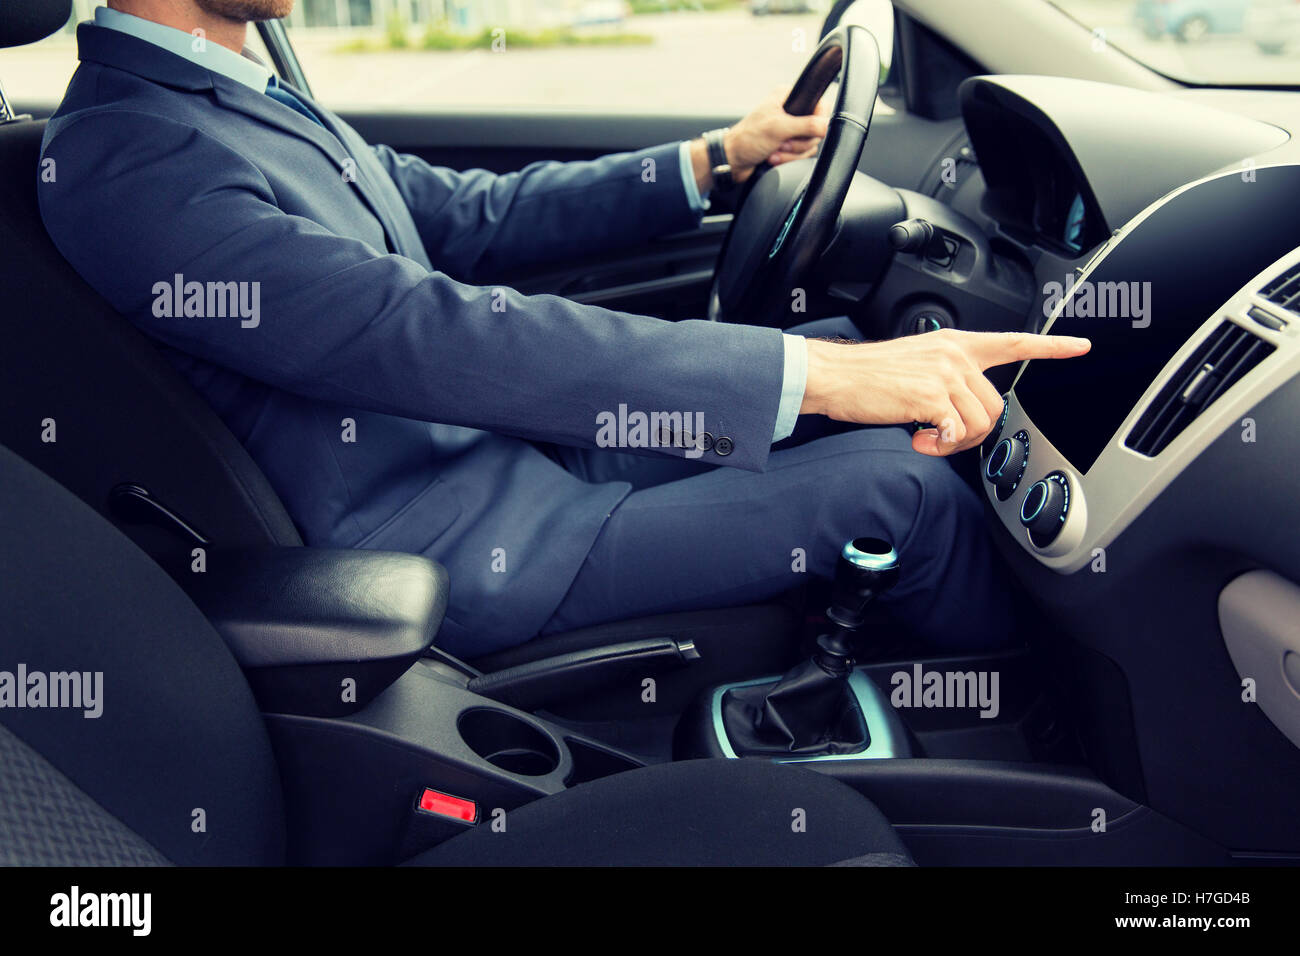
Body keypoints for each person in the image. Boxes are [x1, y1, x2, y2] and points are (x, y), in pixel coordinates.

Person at [37, 0, 1089, 657]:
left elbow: (466, 217)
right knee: (896, 487)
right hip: (454, 538)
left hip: (513, 459)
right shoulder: (130, 155)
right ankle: (1047, 735)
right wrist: (813, 374)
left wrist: (719, 158)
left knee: (862, 367)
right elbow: (421, 333)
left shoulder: (236, 96)